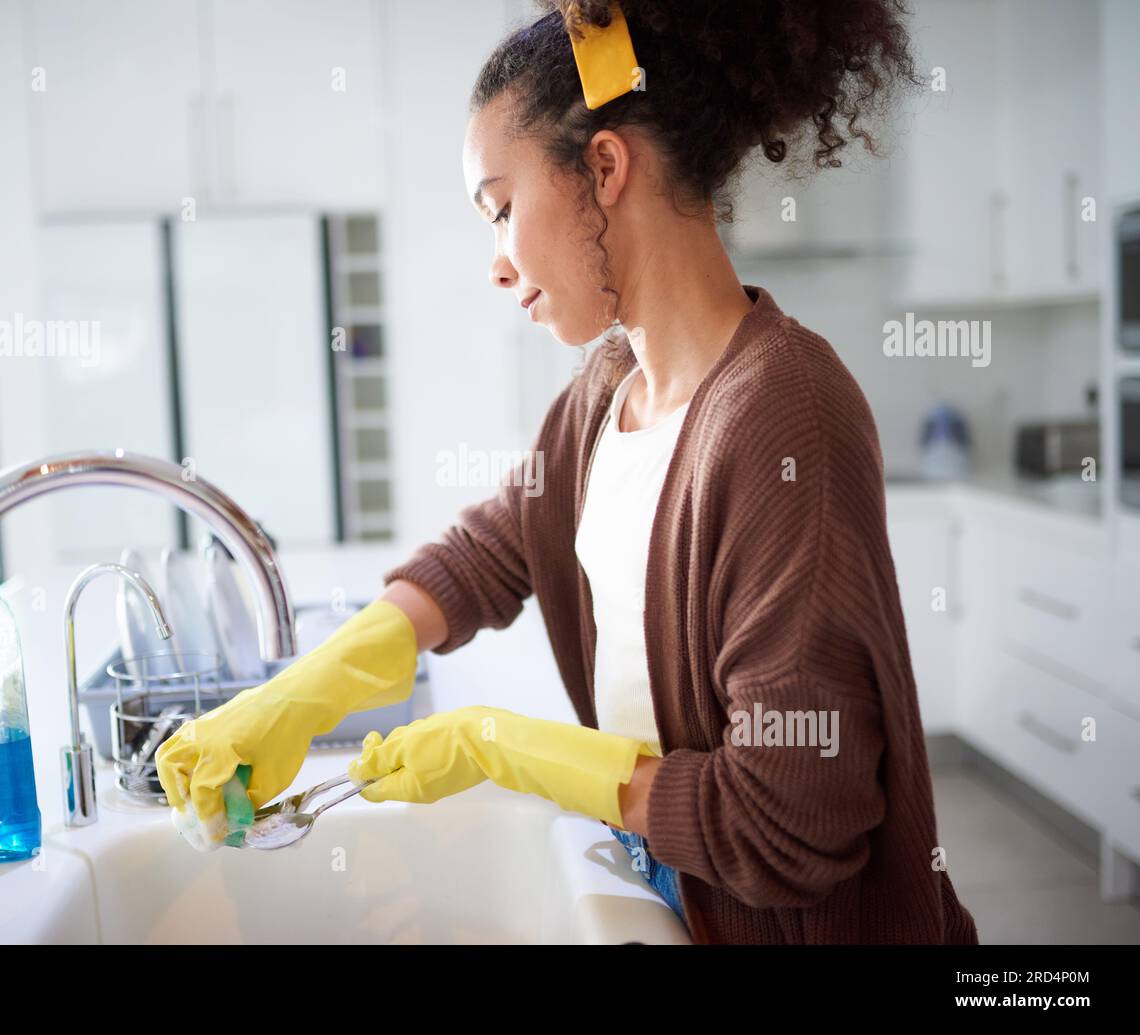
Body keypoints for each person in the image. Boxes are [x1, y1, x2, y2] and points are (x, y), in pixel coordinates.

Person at [157, 0, 980, 945]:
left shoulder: (782, 413)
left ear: (603, 166)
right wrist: (310, 687)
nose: (499, 266)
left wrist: (500, 746)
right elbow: (497, 547)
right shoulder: (612, 386)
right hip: (671, 890)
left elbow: (790, 825)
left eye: (501, 209)